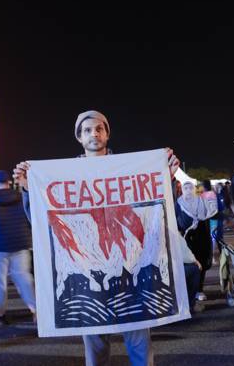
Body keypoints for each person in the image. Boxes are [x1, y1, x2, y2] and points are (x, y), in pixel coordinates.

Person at [13, 110, 180, 366]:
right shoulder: (63, 174)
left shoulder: (128, 168)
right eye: (88, 130)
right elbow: (41, 218)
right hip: (89, 265)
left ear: (107, 134)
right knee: (96, 348)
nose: (94, 134)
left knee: (139, 342)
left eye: (99, 129)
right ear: (79, 137)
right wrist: (28, 188)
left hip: (128, 264)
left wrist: (166, 178)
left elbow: (153, 207)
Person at [0, 169, 36, 325]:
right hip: (20, 243)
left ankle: (0, 314)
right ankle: (36, 310)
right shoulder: (19, 197)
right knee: (24, 279)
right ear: (8, 182)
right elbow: (28, 218)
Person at [175, 181, 216, 302]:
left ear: (194, 189)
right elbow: (176, 219)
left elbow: (211, 214)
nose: (188, 189)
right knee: (190, 263)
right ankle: (189, 290)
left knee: (202, 262)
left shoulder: (201, 200)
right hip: (187, 239)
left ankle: (199, 289)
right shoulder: (179, 203)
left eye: (190, 187)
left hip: (202, 237)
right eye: (185, 187)